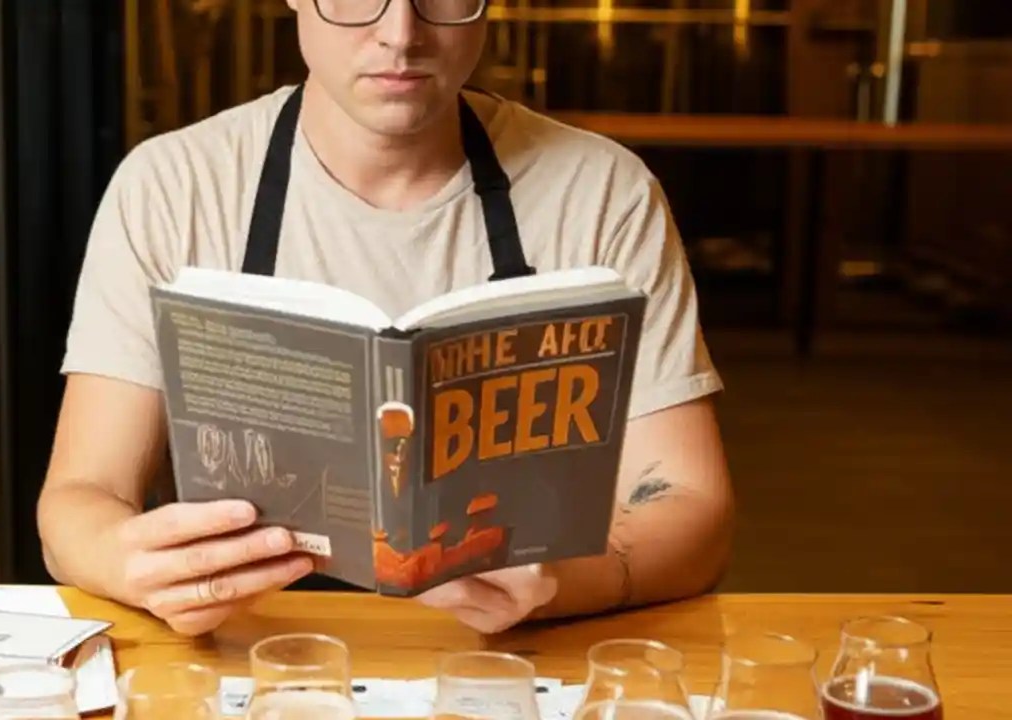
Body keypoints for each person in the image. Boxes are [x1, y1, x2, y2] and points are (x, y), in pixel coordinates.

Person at [37, 0, 734, 637]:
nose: (400, 33)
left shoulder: (601, 194)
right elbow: (79, 498)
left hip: (524, 655)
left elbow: (693, 506)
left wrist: (559, 584)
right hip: (254, 656)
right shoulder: (173, 188)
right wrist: (128, 563)